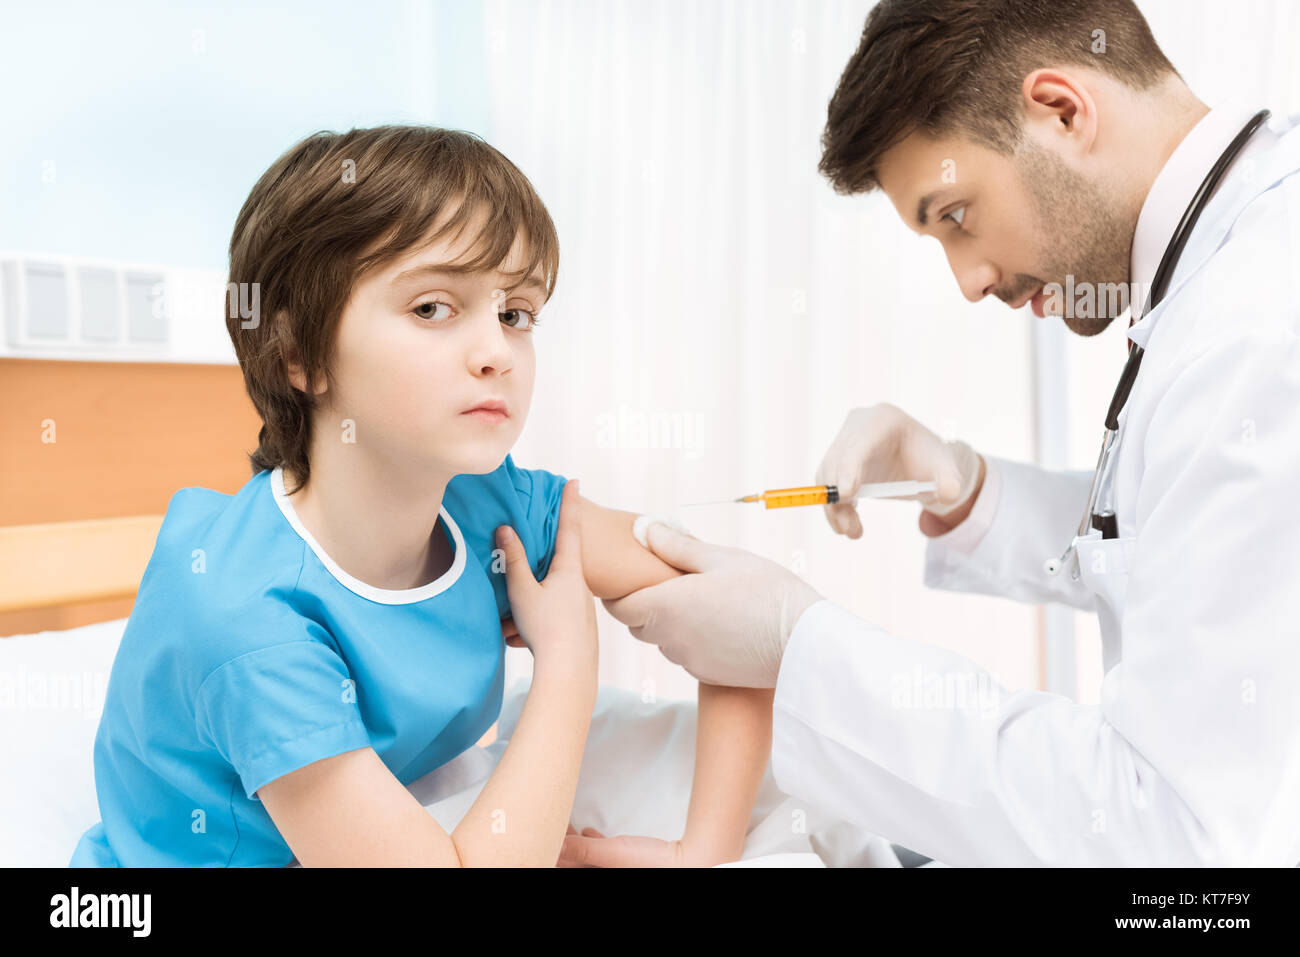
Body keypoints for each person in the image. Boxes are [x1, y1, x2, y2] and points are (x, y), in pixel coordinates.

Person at [572, 0, 1300, 866]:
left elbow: (1167, 838)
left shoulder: (1256, 334)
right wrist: (964, 485)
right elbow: (1190, 544)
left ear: (1063, 111)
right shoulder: (1230, 270)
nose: (968, 279)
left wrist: (800, 646)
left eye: (954, 214)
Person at [69, 126, 775, 867]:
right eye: (434, 308)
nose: (496, 352)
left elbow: (734, 618)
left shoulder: (484, 503)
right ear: (297, 354)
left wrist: (704, 849)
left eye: (516, 314)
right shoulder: (247, 619)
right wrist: (567, 661)